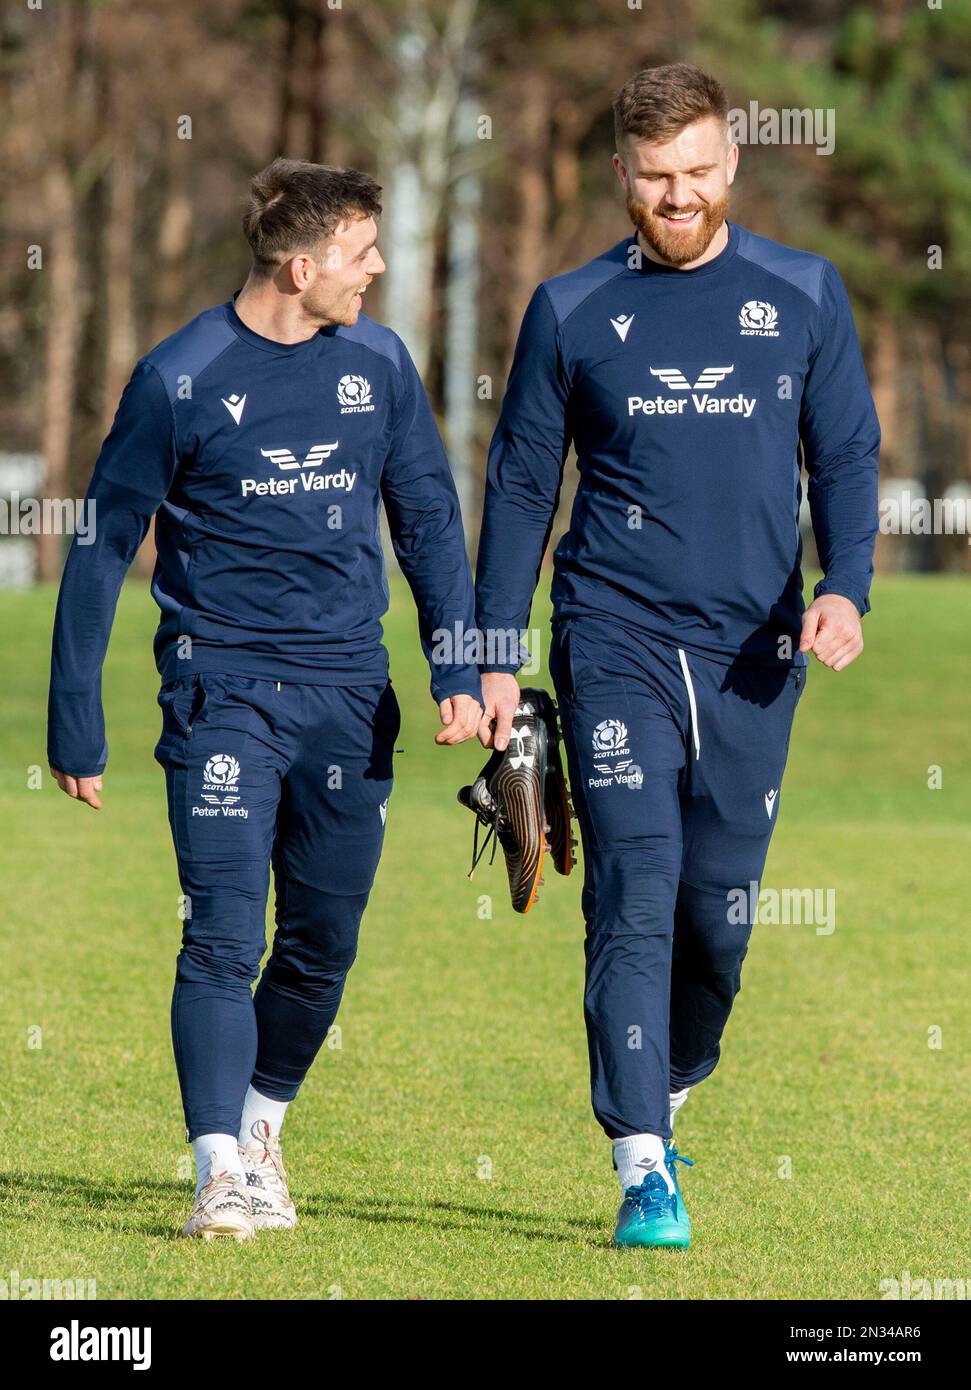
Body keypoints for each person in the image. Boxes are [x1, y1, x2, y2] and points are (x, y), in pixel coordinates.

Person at [473, 64, 879, 1248]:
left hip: (755, 650)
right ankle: (642, 1163)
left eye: (698, 171)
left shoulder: (802, 293)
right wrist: (496, 653)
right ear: (619, 177)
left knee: (718, 919)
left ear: (732, 163)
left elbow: (845, 454)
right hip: (612, 631)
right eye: (654, 177)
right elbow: (516, 483)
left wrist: (844, 585)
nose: (678, 194)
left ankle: (674, 1080)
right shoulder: (569, 309)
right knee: (635, 885)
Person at [47, 158, 483, 1241]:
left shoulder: (378, 363)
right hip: (222, 690)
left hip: (349, 695)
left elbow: (425, 516)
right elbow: (103, 544)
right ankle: (214, 1174)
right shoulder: (177, 376)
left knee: (322, 941)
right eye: (361, 252)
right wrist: (75, 717)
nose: (377, 269)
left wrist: (457, 667)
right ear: (300, 265)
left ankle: (259, 1131)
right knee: (221, 933)